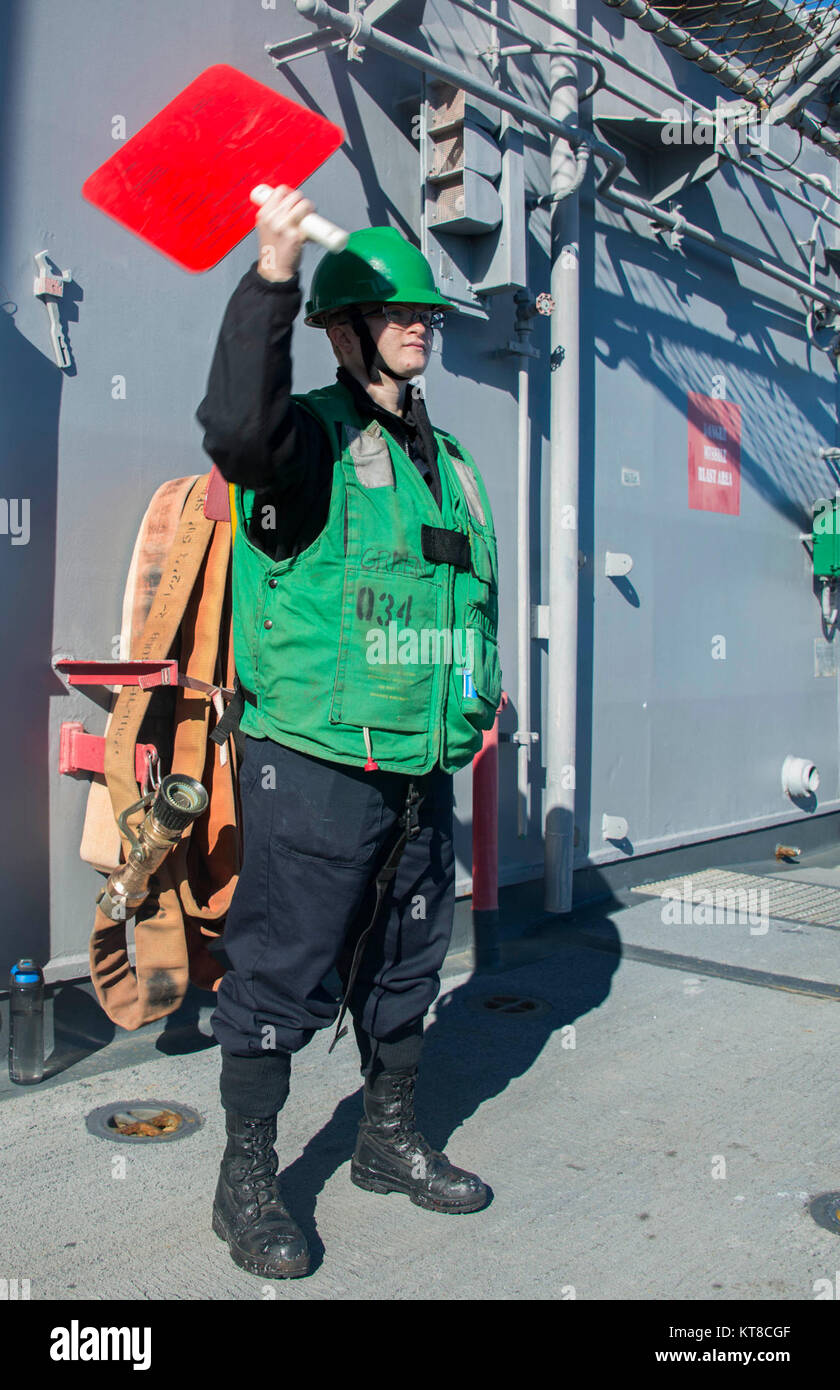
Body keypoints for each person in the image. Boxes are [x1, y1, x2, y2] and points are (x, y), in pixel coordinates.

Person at [196, 187, 502, 1279]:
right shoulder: (304, 451)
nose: (421, 322)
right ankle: (247, 1180)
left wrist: (481, 697)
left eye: (427, 310)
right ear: (343, 328)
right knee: (282, 969)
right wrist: (272, 277)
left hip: (421, 768)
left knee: (410, 961)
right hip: (318, 762)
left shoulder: (454, 464)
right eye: (396, 310)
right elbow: (237, 427)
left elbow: (469, 605)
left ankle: (386, 1137)